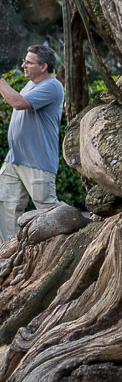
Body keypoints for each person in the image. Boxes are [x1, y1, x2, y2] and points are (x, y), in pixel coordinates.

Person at [0, 44, 65, 245]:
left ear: (43, 66)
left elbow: (18, 103)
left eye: (28, 62)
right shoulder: (30, 84)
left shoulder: (52, 86)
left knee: (49, 210)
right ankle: (7, 255)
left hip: (38, 161)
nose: (23, 65)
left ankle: (72, 245)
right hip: (14, 159)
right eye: (24, 61)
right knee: (5, 208)